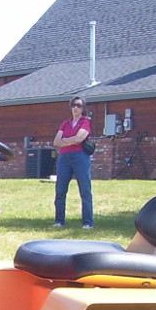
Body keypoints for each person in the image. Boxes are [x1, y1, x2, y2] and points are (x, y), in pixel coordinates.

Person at [52, 96, 93, 229]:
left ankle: (88, 222)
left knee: (85, 190)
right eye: (73, 105)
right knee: (60, 190)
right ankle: (59, 221)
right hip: (64, 158)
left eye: (79, 105)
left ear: (83, 108)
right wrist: (71, 140)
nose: (76, 108)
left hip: (80, 156)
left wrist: (66, 141)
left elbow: (79, 139)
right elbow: (56, 142)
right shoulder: (65, 123)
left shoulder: (85, 121)